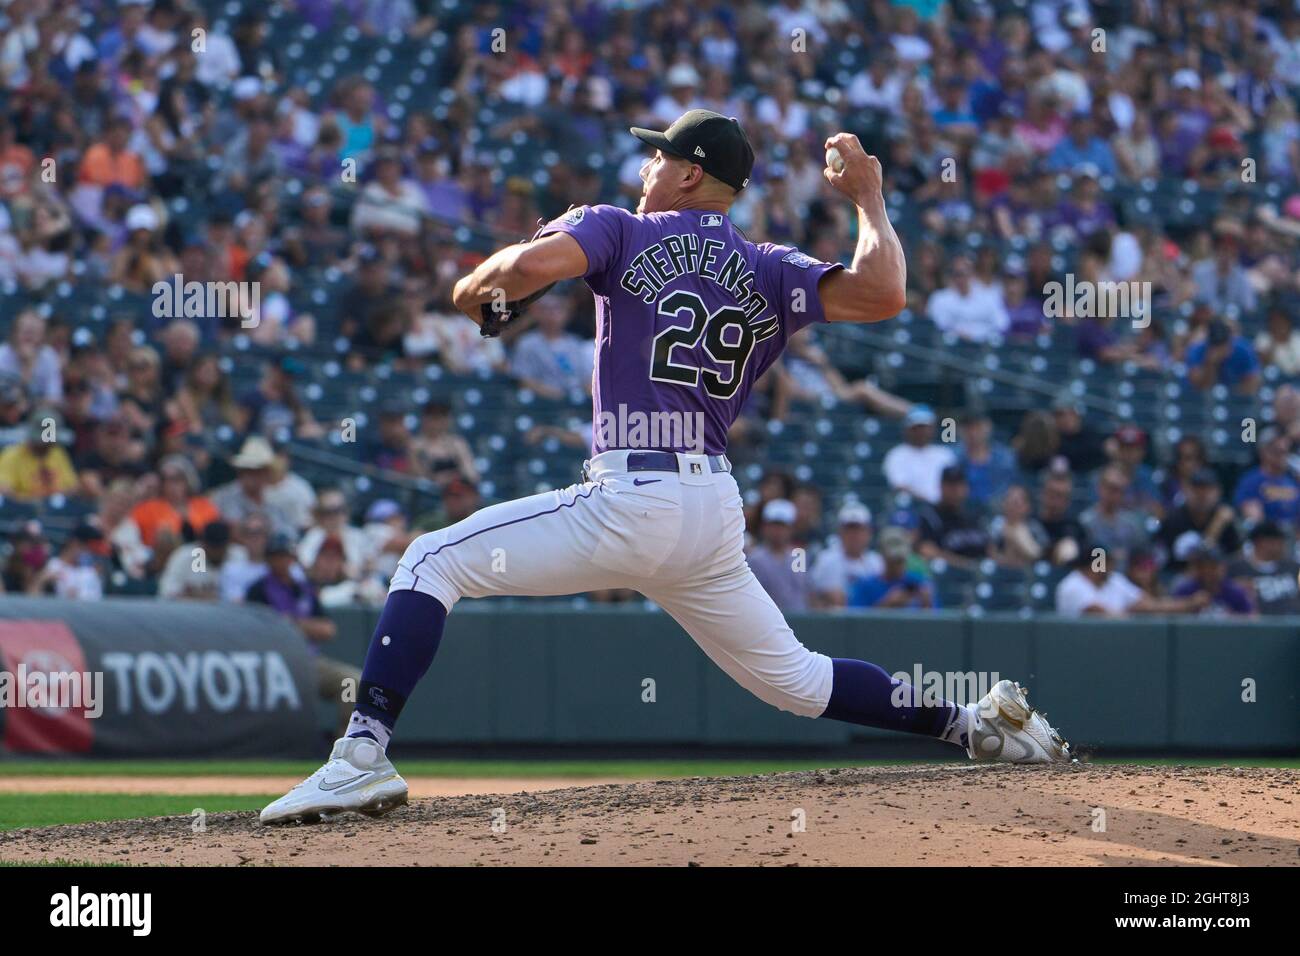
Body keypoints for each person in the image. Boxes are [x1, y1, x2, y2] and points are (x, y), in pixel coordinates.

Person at [263, 112, 1068, 824]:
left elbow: (514, 278)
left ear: (688, 172)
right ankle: (973, 725)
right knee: (798, 681)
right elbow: (885, 291)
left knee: (428, 559)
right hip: (711, 510)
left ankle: (359, 760)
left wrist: (481, 287)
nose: (645, 166)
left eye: (658, 156)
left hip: (633, 495)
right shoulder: (769, 265)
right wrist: (869, 198)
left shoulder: (620, 228)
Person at [245, 532, 360, 736]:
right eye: (277, 556)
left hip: (308, 659)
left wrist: (293, 624)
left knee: (352, 682)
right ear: (269, 559)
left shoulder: (304, 589)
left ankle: (344, 747)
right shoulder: (258, 589)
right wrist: (295, 626)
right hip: (273, 663)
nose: (282, 561)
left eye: (286, 555)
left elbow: (328, 629)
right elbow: (256, 630)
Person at [809, 502, 882, 608]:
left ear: (868, 532)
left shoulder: (877, 562)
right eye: (849, 529)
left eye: (858, 529)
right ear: (840, 531)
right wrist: (825, 596)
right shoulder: (825, 560)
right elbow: (810, 595)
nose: (854, 535)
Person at [915, 466, 991, 566]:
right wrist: (966, 565)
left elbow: (991, 549)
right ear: (941, 487)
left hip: (983, 575)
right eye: (950, 485)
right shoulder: (930, 515)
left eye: (959, 485)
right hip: (948, 577)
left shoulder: (975, 513)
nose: (955, 490)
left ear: (966, 488)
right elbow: (926, 549)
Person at [881, 404, 957, 504]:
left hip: (944, 507)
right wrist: (931, 502)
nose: (921, 431)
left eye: (925, 427)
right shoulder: (896, 454)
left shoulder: (944, 453)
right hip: (913, 508)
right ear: (907, 429)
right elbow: (899, 486)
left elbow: (954, 483)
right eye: (916, 427)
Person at [745, 498, 811, 612]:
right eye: (773, 525)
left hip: (799, 620)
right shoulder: (755, 558)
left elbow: (805, 591)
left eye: (782, 526)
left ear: (791, 528)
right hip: (766, 619)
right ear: (765, 527)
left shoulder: (798, 556)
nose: (777, 531)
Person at [847, 527, 935, 610]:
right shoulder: (865, 586)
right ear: (882, 555)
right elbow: (855, 623)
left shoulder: (920, 584)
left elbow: (938, 620)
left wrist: (927, 605)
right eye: (893, 560)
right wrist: (886, 605)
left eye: (900, 560)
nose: (897, 565)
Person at [1227, 522, 1300, 615]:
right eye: (1279, 540)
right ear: (1261, 542)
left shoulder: (1293, 567)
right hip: (1257, 626)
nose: (1283, 545)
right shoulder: (1236, 568)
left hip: (1293, 625)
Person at [1170, 546, 1255, 617]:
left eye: (1212, 567)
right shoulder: (1185, 589)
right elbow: (1169, 617)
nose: (1207, 572)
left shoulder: (1234, 591)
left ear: (1222, 568)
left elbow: (1251, 619)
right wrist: (1190, 604)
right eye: (1202, 567)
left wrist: (1229, 617)